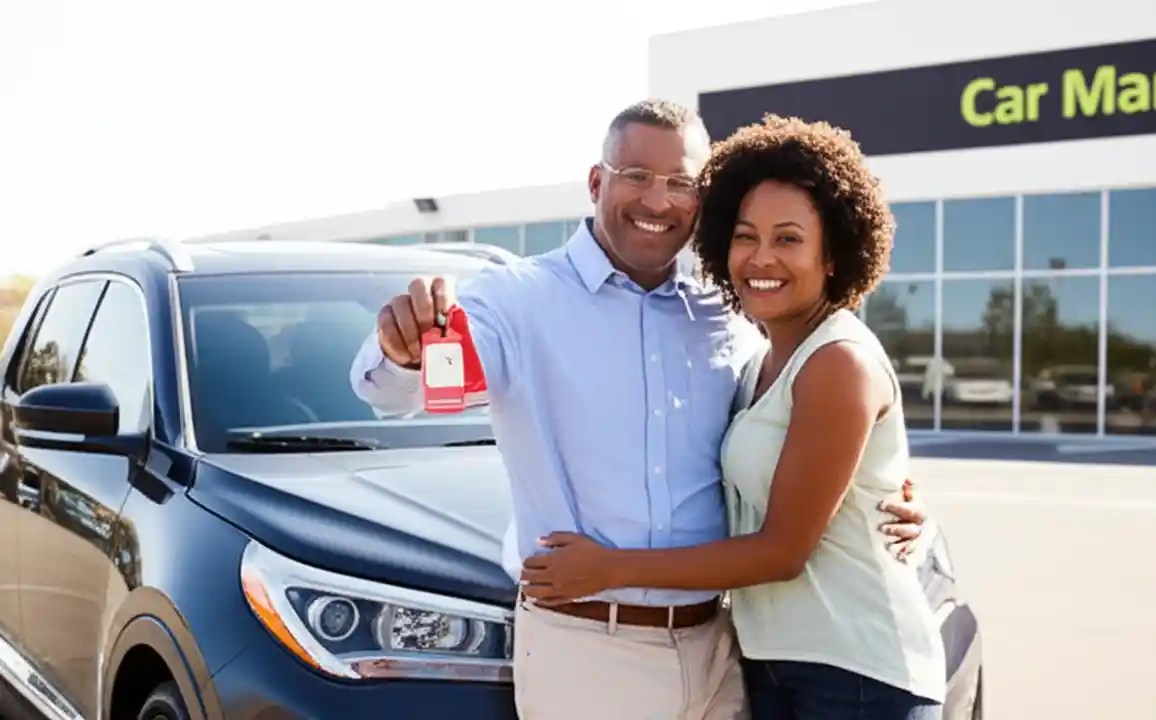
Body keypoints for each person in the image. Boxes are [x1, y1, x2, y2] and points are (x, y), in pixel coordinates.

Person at [349, 100, 929, 720]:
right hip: (589, 652)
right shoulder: (518, 299)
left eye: (682, 183)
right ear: (597, 181)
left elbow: (806, 447)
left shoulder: (731, 313)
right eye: (636, 176)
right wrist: (399, 350)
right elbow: (393, 391)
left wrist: (889, 505)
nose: (658, 200)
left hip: (725, 651)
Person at [519, 115, 947, 719]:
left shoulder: (837, 362)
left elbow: (781, 552)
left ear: (835, 254)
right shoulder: (760, 356)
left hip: (858, 676)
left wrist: (611, 568)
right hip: (777, 666)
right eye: (746, 236)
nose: (760, 258)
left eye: (789, 239)